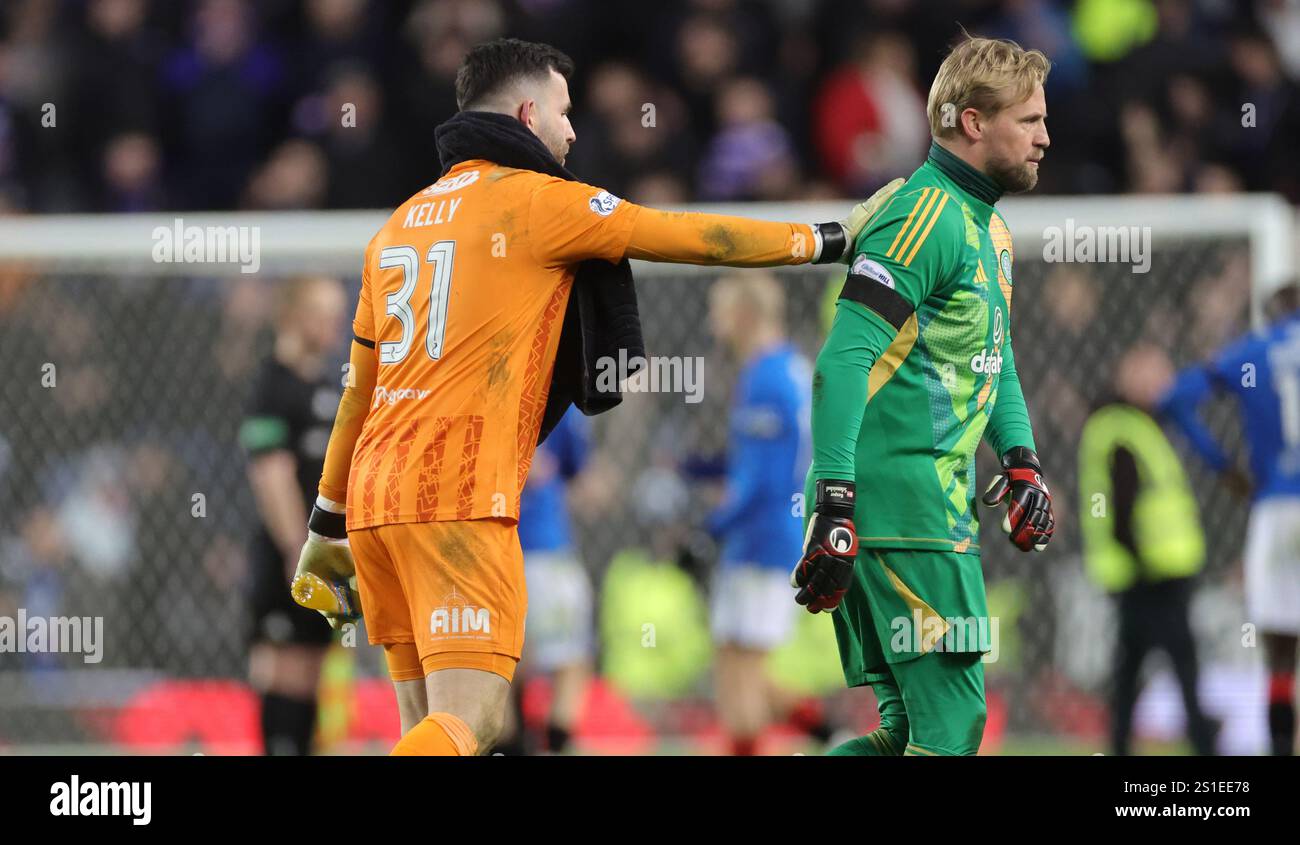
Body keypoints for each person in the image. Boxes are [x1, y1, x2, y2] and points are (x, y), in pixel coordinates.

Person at [290, 37, 902, 756]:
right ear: (526, 115)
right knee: (475, 719)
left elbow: (358, 390)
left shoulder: (394, 227)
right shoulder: (540, 201)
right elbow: (683, 234)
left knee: (424, 727)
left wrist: (326, 522)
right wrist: (830, 237)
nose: (574, 131)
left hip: (372, 503)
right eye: (563, 111)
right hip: (458, 497)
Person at [796, 35, 1055, 757]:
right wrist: (835, 501)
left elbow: (993, 358)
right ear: (973, 122)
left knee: (905, 730)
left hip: (924, 506)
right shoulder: (926, 216)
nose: (1045, 137)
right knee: (952, 729)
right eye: (1028, 121)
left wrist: (1023, 460)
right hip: (901, 511)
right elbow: (842, 361)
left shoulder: (989, 227)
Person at [1161, 282, 1300, 755]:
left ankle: (1281, 746)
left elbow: (1176, 398)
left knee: (1281, 647)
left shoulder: (1254, 352)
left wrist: (1224, 469)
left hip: (1275, 507)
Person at [692, 272, 815, 755]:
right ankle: (829, 734)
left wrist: (710, 528)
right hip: (775, 532)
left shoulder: (763, 377)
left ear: (744, 315)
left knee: (740, 673)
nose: (713, 322)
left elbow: (761, 481)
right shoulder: (793, 369)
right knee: (738, 663)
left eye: (719, 311)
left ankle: (833, 735)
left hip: (762, 538)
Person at [1078, 344, 1216, 756]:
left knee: (1130, 671)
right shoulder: (1124, 429)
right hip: (1152, 575)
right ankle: (1204, 743)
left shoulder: (1133, 425)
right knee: (1182, 666)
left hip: (1145, 573)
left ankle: (1121, 745)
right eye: (1155, 375)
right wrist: (1141, 561)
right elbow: (1122, 508)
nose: (1165, 384)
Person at [239, 275, 348, 755]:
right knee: (281, 666)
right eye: (323, 311)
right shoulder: (272, 385)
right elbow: (271, 474)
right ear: (294, 315)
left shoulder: (327, 386)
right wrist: (294, 547)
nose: (334, 322)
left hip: (324, 549)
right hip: (291, 548)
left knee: (311, 667)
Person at [506, 407, 595, 755]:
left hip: (494, 548)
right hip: (545, 550)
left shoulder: (479, 382)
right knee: (571, 661)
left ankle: (516, 742)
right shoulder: (561, 396)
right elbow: (577, 470)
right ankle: (555, 741)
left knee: (507, 662)